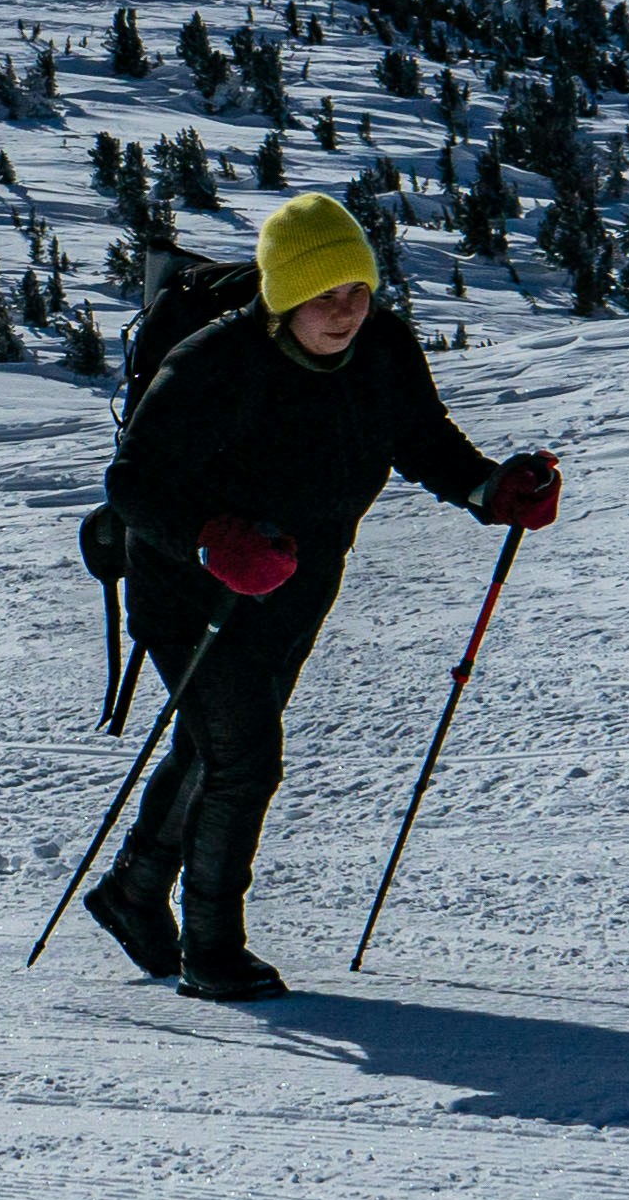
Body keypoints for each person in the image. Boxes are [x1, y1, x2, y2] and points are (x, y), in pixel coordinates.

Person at [87, 190, 554, 997]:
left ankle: (132, 892)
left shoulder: (383, 347)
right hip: (189, 588)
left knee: (213, 743)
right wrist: (209, 537)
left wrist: (487, 489)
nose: (345, 311)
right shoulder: (209, 364)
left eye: (357, 290)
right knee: (245, 757)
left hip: (296, 583)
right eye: (323, 295)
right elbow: (132, 483)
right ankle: (211, 949)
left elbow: (417, 438)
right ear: (281, 295)